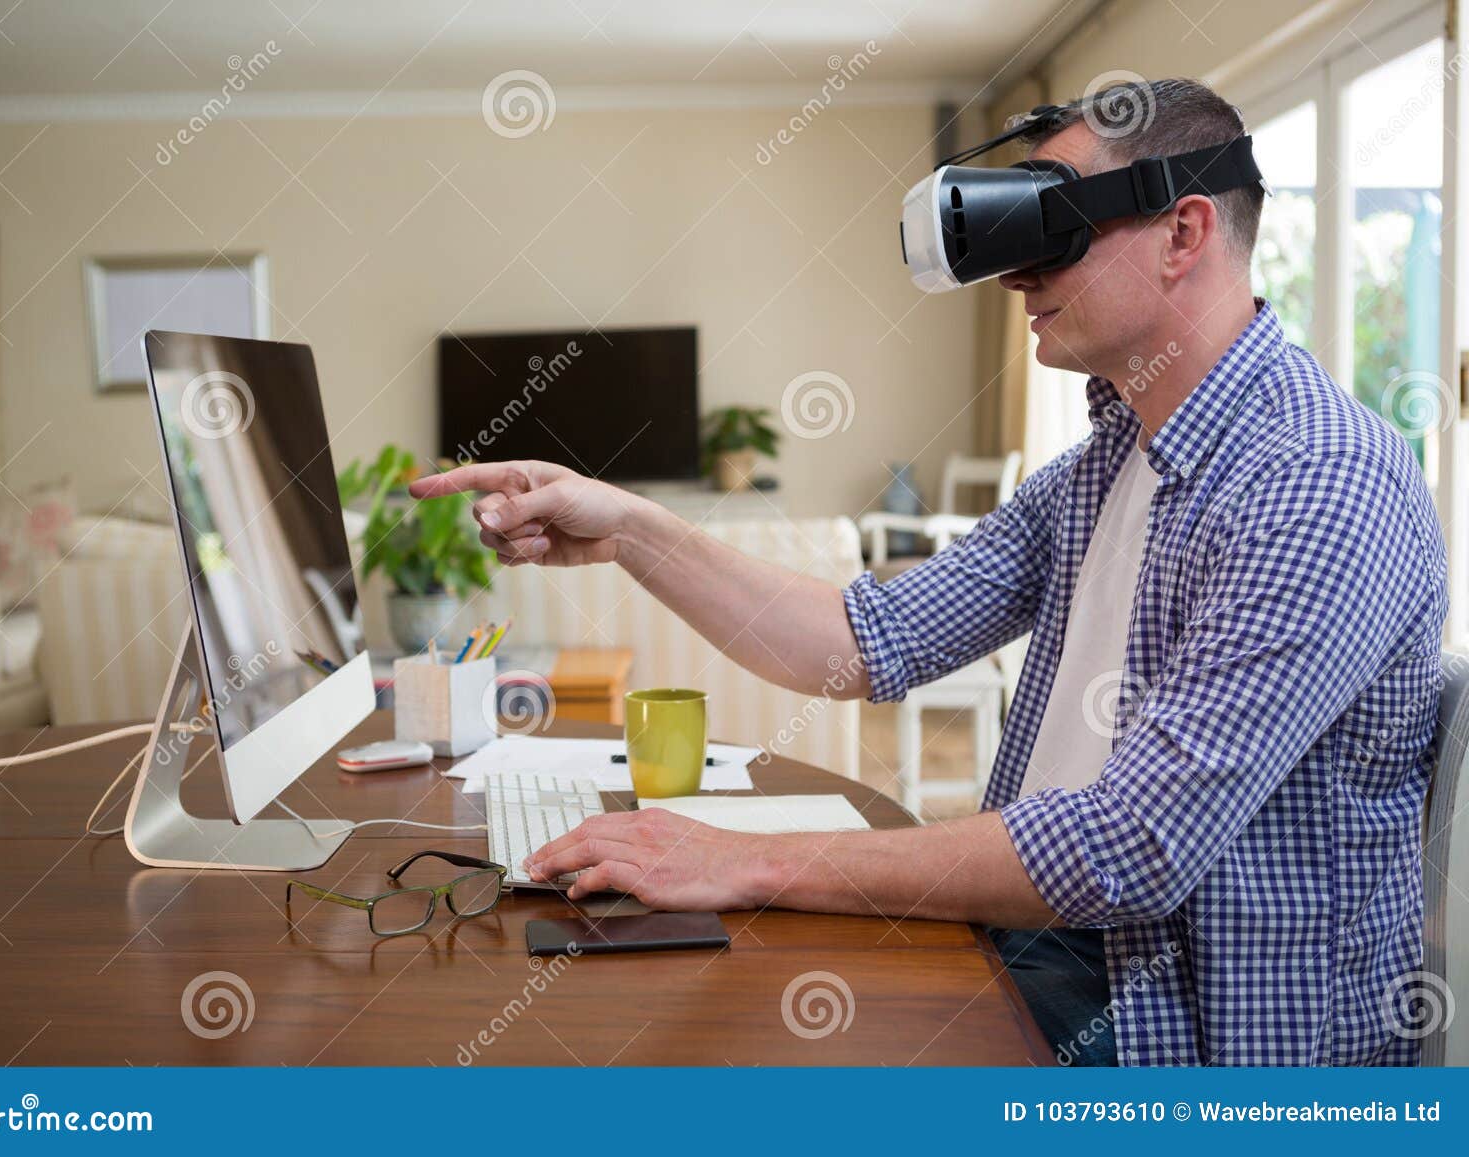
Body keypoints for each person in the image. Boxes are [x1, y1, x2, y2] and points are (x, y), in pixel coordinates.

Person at [410, 78, 1447, 1066]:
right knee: (691, 999)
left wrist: (748, 857)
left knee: (743, 1047)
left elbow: (1132, 845)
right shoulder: (1106, 463)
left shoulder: (1316, 482)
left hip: (1182, 1030)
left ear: (1184, 233)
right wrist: (630, 526)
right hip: (1056, 945)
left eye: (1051, 232)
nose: (1014, 277)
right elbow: (861, 641)